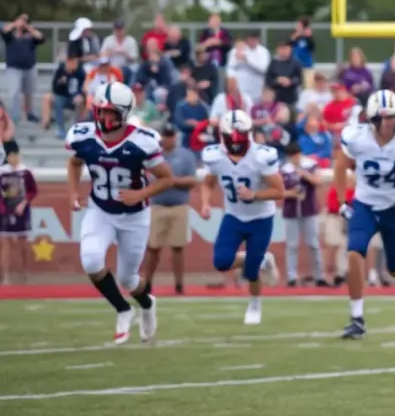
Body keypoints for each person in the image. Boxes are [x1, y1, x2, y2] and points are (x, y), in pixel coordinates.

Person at [65, 82, 174, 343]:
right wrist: (72, 191)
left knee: (128, 277)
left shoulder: (141, 142)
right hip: (100, 209)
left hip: (135, 216)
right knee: (91, 259)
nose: (104, 117)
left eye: (111, 112)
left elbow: (166, 179)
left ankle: (147, 303)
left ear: (124, 113)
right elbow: (74, 162)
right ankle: (123, 309)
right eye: (100, 111)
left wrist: (140, 194)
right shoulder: (83, 136)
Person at [335, 89, 395, 339]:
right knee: (355, 251)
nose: (389, 122)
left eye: (393, 117)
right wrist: (344, 200)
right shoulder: (357, 138)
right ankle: (356, 318)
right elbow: (340, 166)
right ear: (373, 118)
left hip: (394, 208)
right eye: (384, 117)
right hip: (364, 205)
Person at [199, 110, 284, 325]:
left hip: (261, 218)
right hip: (234, 216)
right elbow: (208, 182)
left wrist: (255, 195)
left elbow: (279, 192)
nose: (236, 143)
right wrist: (205, 203)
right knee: (221, 262)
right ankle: (260, 258)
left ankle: (255, 304)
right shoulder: (215, 155)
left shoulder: (261, 156)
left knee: (252, 272)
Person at [143, 123, 201, 295]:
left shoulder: (186, 155)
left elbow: (192, 180)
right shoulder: (153, 155)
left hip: (179, 205)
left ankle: (179, 283)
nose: (168, 138)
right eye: (166, 135)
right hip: (157, 204)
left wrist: (172, 180)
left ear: (175, 136)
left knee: (178, 247)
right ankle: (147, 282)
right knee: (153, 247)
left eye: (171, 135)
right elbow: (146, 177)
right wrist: (165, 181)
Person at [281, 141, 327, 287]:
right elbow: (279, 191)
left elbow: (319, 182)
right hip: (291, 210)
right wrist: (292, 193)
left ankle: (319, 276)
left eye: (296, 156)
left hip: (309, 210)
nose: (294, 159)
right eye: (291, 157)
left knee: (313, 244)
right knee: (292, 245)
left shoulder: (310, 165)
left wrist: (305, 175)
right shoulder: (284, 170)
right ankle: (291, 277)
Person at [0, 141, 37, 284]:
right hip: (4, 213)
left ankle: (25, 273)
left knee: (23, 245)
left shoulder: (25, 172)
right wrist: (3, 209)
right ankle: (6, 277)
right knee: (5, 244)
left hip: (22, 212)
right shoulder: (2, 172)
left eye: (16, 156)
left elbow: (33, 191)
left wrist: (23, 204)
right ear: (7, 157)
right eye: (11, 156)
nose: (14, 159)